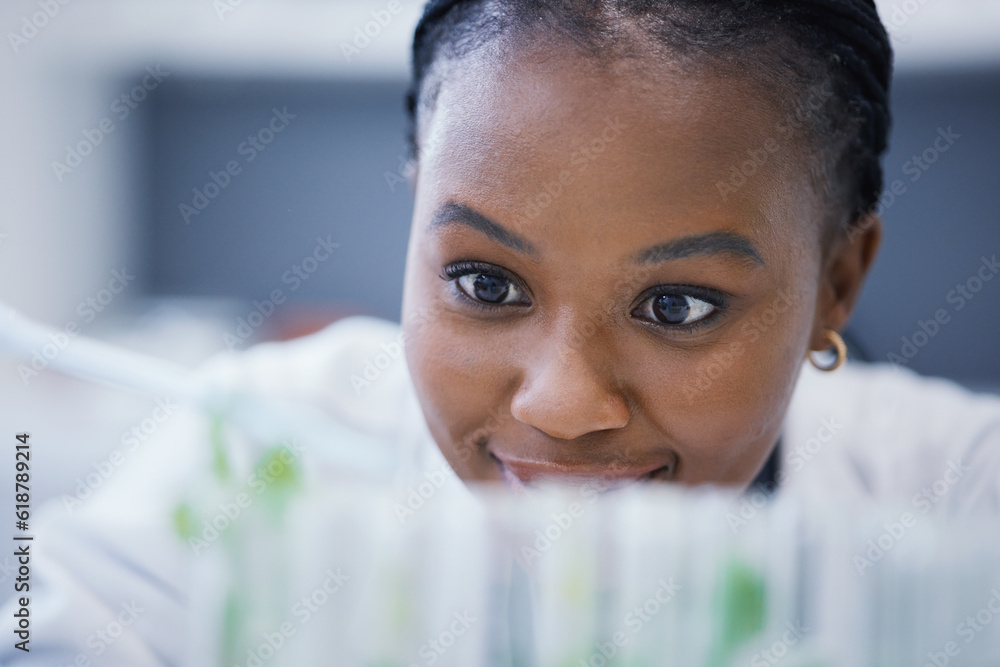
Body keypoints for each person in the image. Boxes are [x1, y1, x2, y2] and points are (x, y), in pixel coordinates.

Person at [4, 0, 1000, 664]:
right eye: (484, 283)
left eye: (677, 305)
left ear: (836, 282)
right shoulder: (249, 456)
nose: (562, 405)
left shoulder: (958, 494)